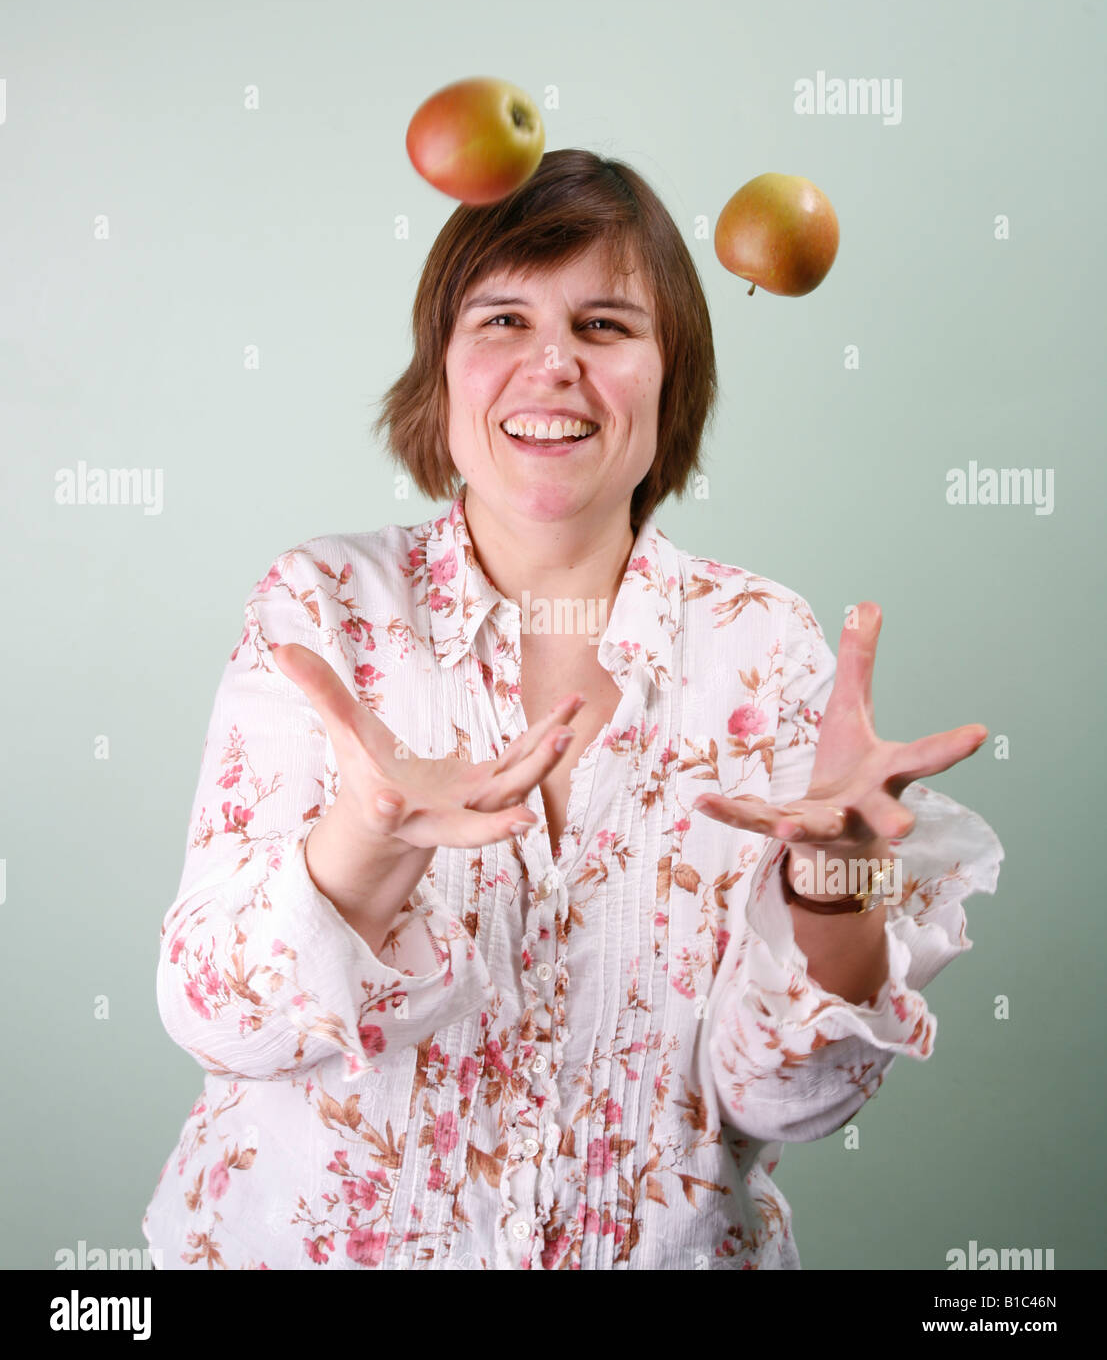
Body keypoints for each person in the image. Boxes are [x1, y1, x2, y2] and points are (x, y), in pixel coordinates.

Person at [142, 149, 1003, 1270]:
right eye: (502, 319)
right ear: (440, 368)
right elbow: (214, 1016)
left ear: (669, 375)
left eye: (604, 327)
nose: (552, 366)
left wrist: (836, 887)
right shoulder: (324, 609)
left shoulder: (763, 645)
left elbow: (784, 1102)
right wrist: (369, 839)